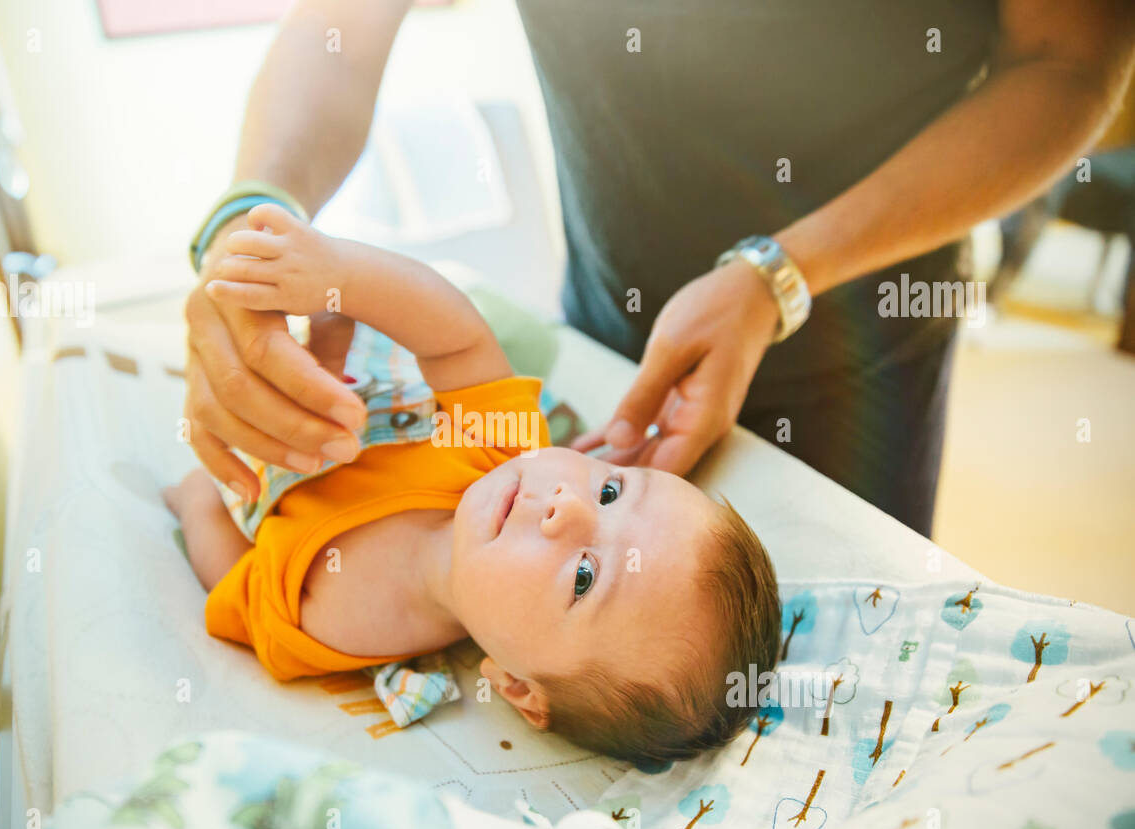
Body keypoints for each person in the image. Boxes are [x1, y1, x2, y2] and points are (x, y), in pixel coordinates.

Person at [182, 0, 1135, 537]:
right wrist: (250, 227)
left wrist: (781, 276)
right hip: (608, 315)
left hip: (858, 340)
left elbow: (1071, 61)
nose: (556, 523)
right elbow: (343, 25)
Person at [165, 204, 782, 761]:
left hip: (268, 414)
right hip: (362, 344)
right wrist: (339, 275)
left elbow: (237, 584)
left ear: (516, 685)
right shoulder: (506, 446)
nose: (566, 506)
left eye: (585, 576)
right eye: (611, 491)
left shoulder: (344, 627)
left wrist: (200, 501)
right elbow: (453, 334)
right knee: (482, 334)